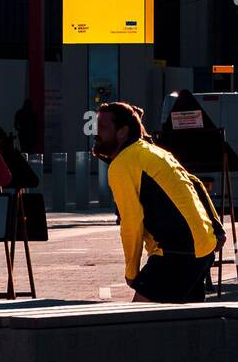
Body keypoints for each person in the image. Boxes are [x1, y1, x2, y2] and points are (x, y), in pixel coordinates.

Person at [92, 101, 225, 303]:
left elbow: (132, 222)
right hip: (202, 247)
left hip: (176, 252)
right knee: (188, 327)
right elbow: (196, 184)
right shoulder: (155, 152)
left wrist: (132, 272)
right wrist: (217, 228)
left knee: (139, 322)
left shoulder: (122, 164)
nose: (96, 133)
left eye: (103, 127)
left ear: (122, 132)